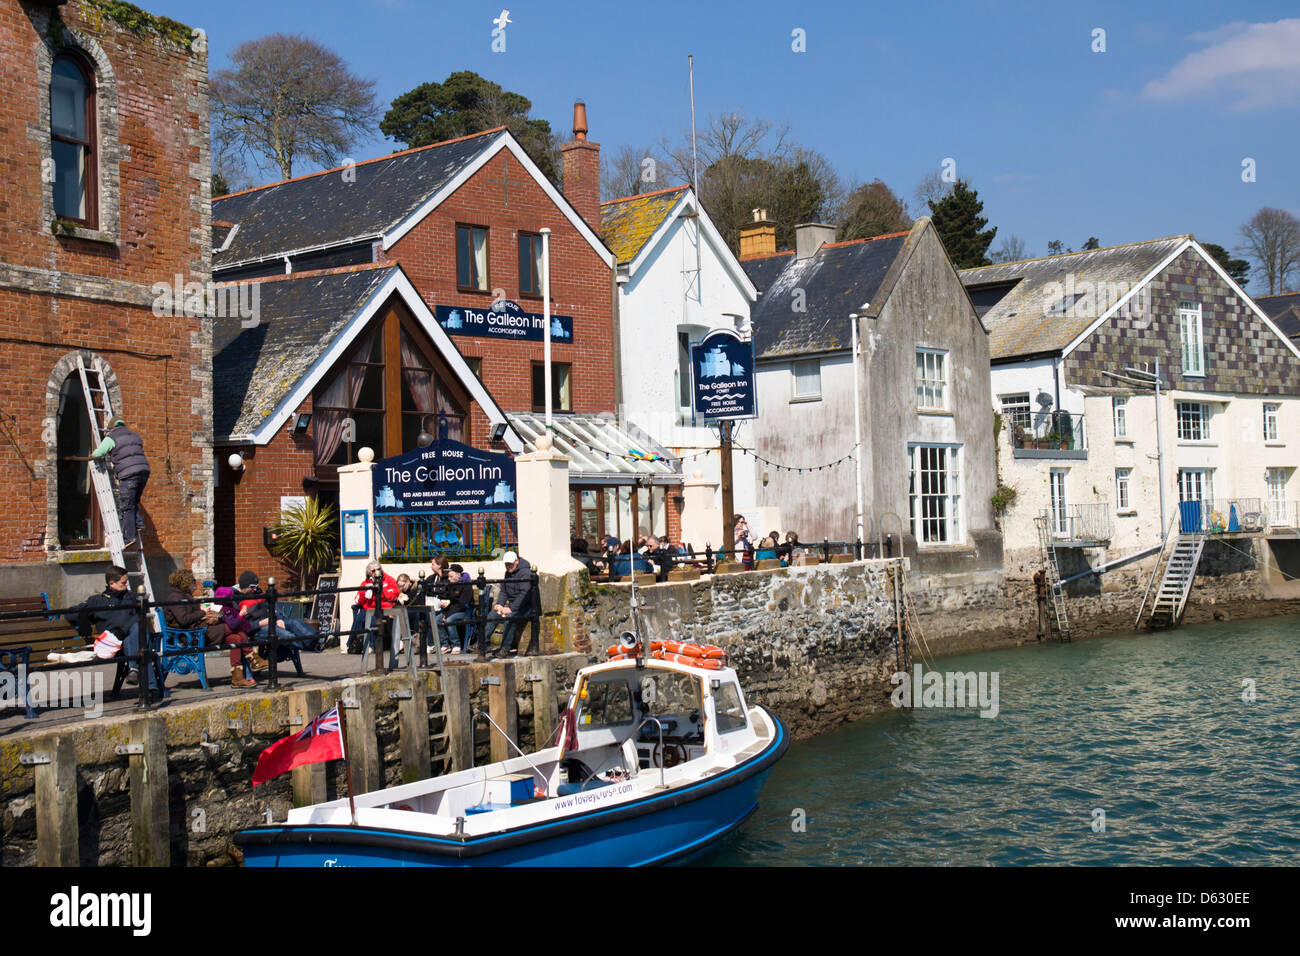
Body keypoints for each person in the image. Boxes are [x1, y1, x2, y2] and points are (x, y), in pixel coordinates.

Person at [65, 565, 158, 688]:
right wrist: (83, 617)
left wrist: (124, 629)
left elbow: (141, 614)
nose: (126, 586)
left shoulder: (131, 597)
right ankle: (148, 688)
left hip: (131, 642)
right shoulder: (98, 600)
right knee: (141, 641)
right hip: (113, 645)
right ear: (111, 583)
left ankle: (135, 671)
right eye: (123, 583)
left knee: (138, 632)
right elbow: (69, 613)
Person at [90, 417, 150, 549]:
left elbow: (98, 453)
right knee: (134, 501)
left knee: (126, 506)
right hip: (144, 471)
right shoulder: (135, 436)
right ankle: (139, 523)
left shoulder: (111, 437)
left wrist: (93, 455)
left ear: (111, 428)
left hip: (129, 474)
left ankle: (129, 538)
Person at [483, 551, 533, 658]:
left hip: (526, 608)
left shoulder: (526, 573)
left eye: (510, 564)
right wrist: (500, 604)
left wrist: (511, 608)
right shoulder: (508, 573)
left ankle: (505, 649)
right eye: (506, 564)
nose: (508, 566)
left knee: (510, 618)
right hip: (514, 606)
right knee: (493, 614)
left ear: (516, 561)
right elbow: (504, 591)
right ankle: (484, 644)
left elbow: (524, 594)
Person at [213, 585, 263, 685]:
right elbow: (233, 624)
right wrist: (241, 615)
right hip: (217, 634)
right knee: (240, 633)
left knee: (236, 638)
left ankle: (238, 678)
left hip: (227, 634)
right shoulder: (225, 609)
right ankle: (254, 660)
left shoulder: (228, 608)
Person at [356, 560, 400, 667]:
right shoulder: (365, 583)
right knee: (360, 616)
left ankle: (375, 645)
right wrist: (366, 593)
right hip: (370, 609)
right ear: (369, 572)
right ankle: (356, 644)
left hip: (386, 609)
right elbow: (359, 599)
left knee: (379, 618)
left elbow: (394, 593)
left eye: (378, 569)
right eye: (373, 570)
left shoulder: (389, 579)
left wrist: (379, 593)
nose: (376, 572)